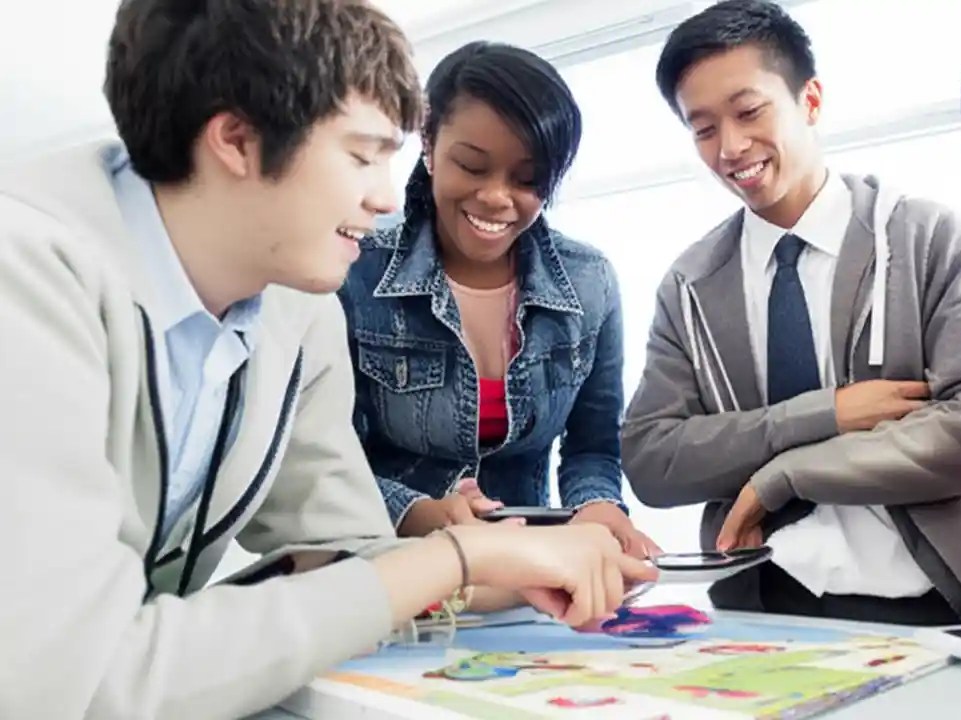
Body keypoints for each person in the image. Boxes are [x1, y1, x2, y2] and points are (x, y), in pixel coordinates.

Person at [0, 2, 655, 718]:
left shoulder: (295, 308)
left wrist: (510, 561)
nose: (382, 196)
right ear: (238, 139)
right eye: (361, 155)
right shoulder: (27, 274)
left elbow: (346, 557)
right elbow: (70, 678)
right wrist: (454, 559)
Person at [622, 0, 961, 624]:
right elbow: (653, 460)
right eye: (703, 128)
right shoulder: (690, 285)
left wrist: (787, 475)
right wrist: (825, 415)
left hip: (944, 603)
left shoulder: (925, 238)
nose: (731, 147)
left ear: (811, 102)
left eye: (748, 111)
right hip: (764, 610)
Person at [339, 41, 659, 559]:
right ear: (428, 142)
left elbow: (592, 446)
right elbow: (327, 457)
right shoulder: (356, 269)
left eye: (528, 180)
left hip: (526, 575)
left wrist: (597, 505)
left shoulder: (589, 282)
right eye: (471, 166)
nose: (496, 197)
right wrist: (418, 513)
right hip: (389, 568)